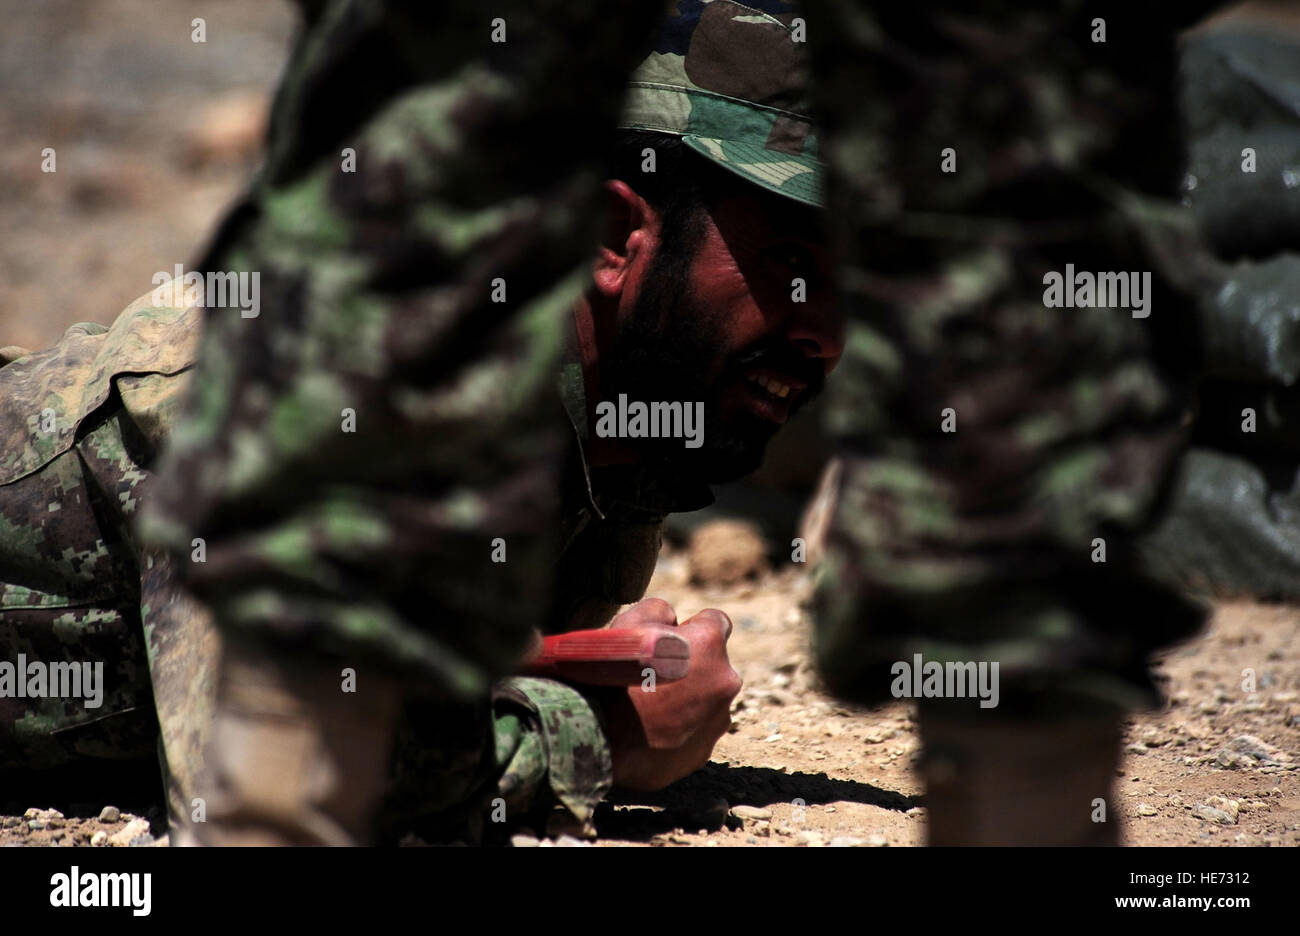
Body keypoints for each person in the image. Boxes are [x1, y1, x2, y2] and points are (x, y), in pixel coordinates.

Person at [0, 0, 838, 845]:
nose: (828, 336)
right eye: (792, 264)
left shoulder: (613, 400)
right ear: (615, 238)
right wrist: (602, 741)